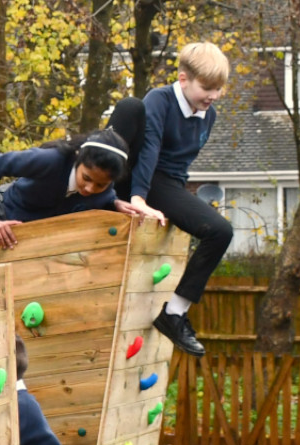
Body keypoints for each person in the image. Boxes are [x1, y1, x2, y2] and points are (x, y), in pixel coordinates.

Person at [109, 41, 233, 358]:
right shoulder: (159, 101)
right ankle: (174, 314)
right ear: (183, 79)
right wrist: (138, 198)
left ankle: (175, 313)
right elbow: (148, 151)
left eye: (218, 89)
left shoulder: (209, 114)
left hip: (170, 184)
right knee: (220, 231)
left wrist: (181, 210)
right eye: (207, 88)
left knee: (216, 231)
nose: (213, 96)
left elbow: (182, 167)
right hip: (141, 177)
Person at [0, 129, 149, 250]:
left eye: (100, 185)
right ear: (78, 158)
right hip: (0, 208)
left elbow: (107, 197)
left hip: (26, 239)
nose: (90, 188)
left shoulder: (104, 192)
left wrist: (114, 203)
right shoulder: (51, 160)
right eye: (86, 178)